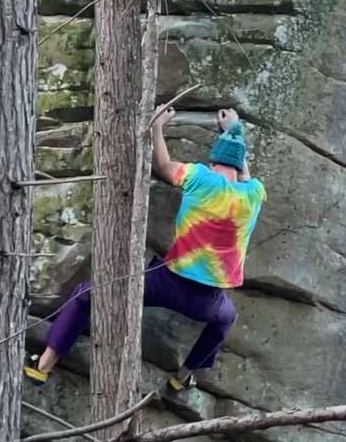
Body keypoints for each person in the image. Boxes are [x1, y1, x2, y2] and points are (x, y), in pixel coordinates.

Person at [25, 106, 266, 392]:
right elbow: (246, 177)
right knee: (226, 320)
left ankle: (44, 365)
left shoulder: (199, 177)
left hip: (166, 281)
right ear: (239, 168)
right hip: (207, 300)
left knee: (86, 294)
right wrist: (235, 132)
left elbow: (163, 164)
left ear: (213, 163)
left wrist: (157, 126)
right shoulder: (253, 195)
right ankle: (183, 376)